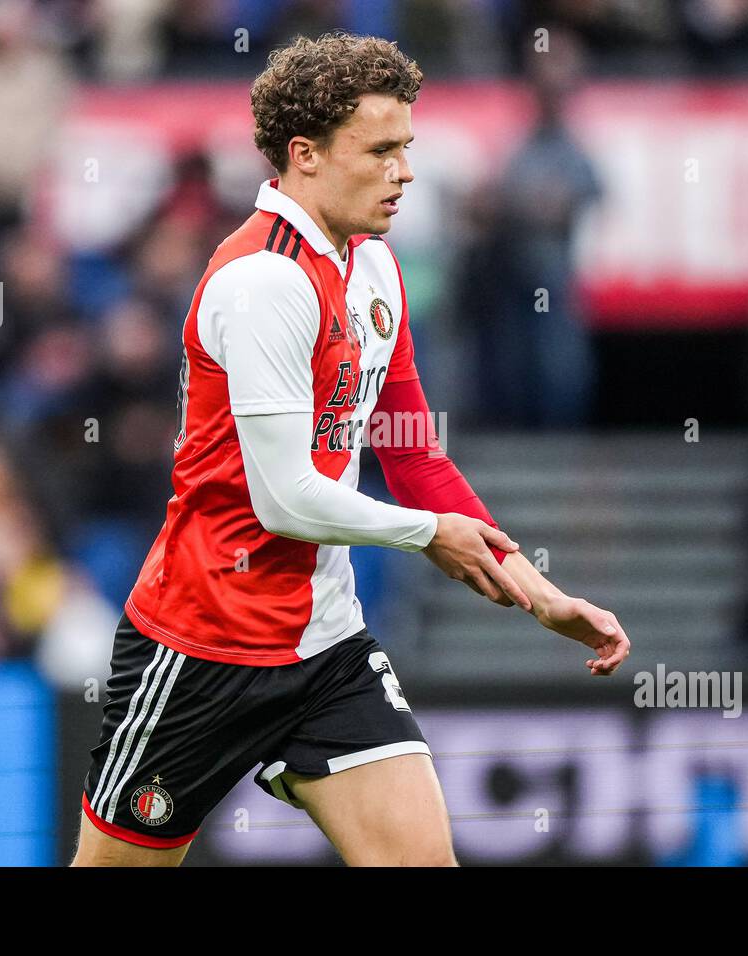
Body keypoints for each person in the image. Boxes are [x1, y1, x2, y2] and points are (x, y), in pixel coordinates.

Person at [71, 31, 630, 868]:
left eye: (407, 147)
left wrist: (535, 591)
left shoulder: (374, 268)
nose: (404, 172)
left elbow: (415, 458)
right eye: (380, 150)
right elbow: (284, 499)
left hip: (326, 649)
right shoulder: (260, 280)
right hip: (198, 649)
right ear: (305, 155)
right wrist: (425, 535)